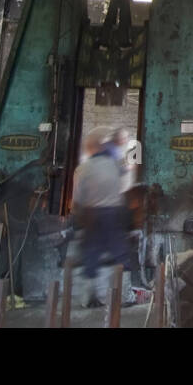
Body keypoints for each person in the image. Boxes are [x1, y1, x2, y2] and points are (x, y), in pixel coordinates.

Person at [71, 129, 129, 307]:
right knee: (120, 252)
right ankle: (124, 294)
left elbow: (78, 199)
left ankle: (88, 297)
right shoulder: (113, 164)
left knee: (91, 253)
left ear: (89, 148)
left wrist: (76, 216)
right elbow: (123, 179)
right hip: (114, 212)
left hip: (92, 214)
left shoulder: (83, 169)